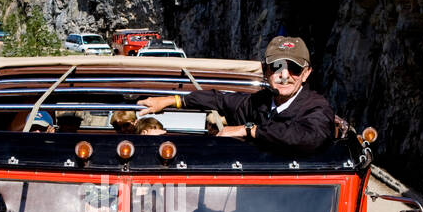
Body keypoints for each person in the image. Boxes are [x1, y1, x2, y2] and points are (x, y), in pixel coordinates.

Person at [137, 37, 335, 152]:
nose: (284, 75)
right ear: (266, 71)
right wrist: (173, 100)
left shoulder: (316, 107)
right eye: (277, 67)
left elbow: (307, 137)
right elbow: (220, 99)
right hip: (252, 203)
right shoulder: (260, 102)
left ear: (306, 73)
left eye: (293, 68)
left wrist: (248, 130)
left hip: (300, 211)